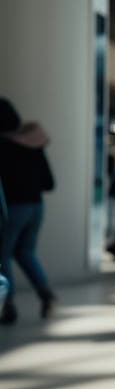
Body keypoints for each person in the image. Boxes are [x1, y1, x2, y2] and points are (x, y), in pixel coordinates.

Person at [0, 98, 57, 324]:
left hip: (13, 207)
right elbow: (49, 182)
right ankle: (47, 295)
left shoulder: (3, 146)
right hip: (36, 206)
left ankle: (8, 305)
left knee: (3, 257)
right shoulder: (33, 143)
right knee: (25, 252)